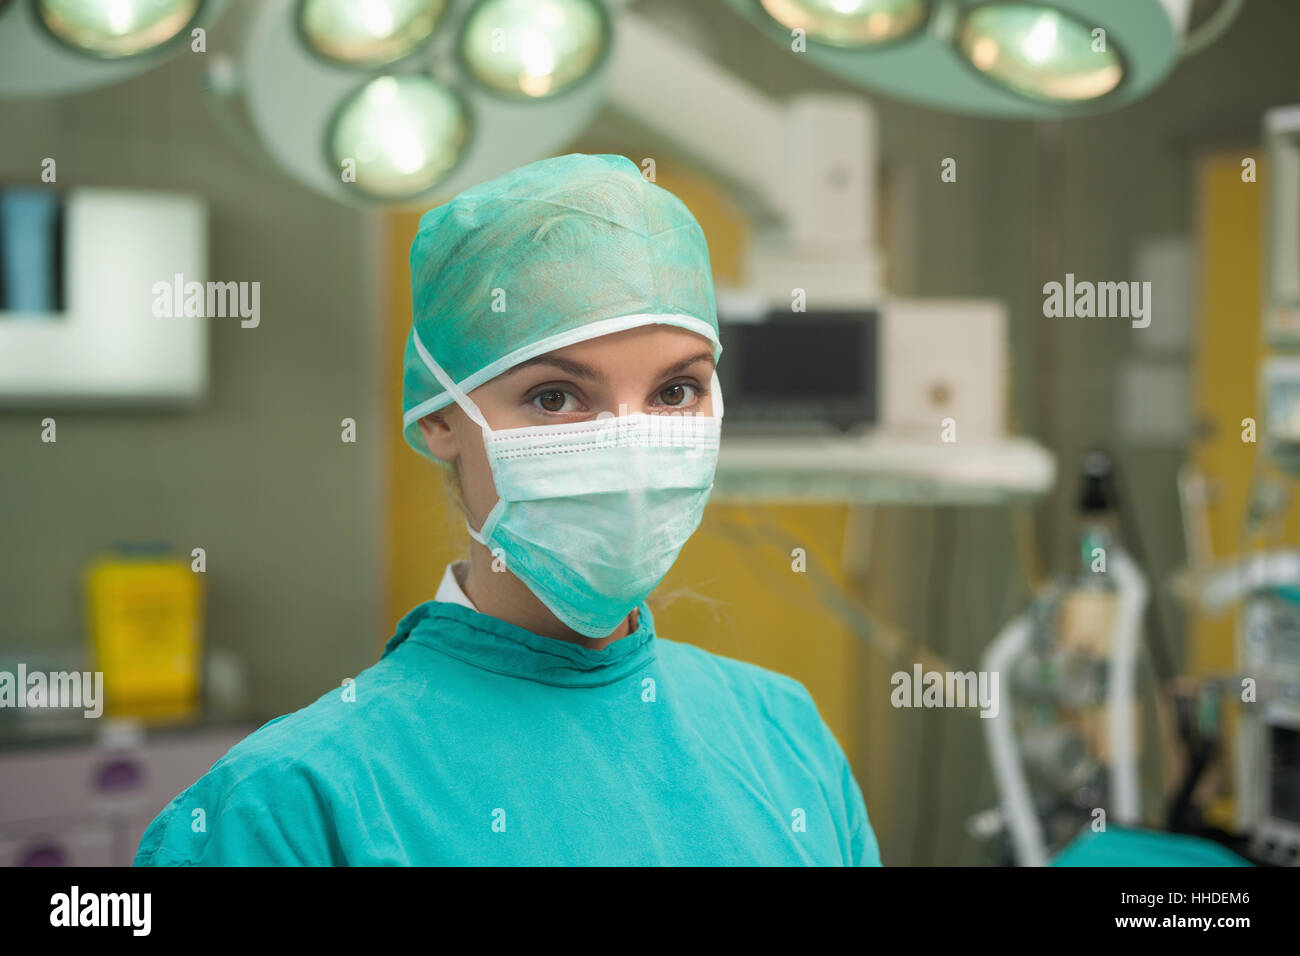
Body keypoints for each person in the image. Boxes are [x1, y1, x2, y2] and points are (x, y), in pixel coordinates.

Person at [134, 152, 882, 866]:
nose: (628, 445)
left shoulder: (784, 736)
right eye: (556, 397)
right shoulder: (292, 807)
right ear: (440, 417)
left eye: (674, 391)